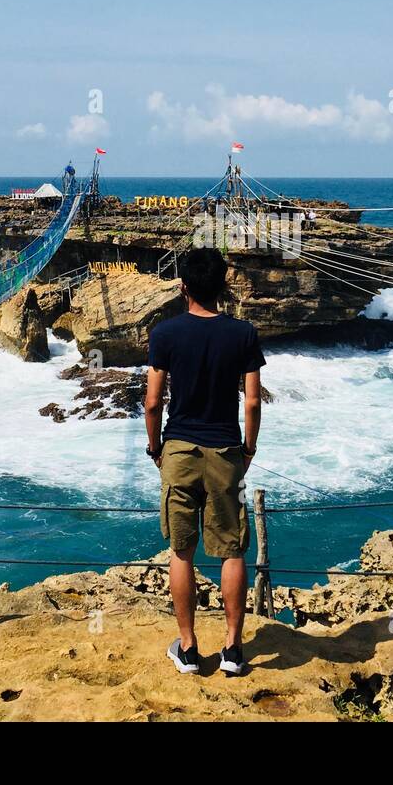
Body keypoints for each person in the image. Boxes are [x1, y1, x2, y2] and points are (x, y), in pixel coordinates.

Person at [144, 247, 264, 677]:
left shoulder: (166, 334)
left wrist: (156, 448)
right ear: (223, 287)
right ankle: (233, 650)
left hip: (179, 450)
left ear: (183, 287)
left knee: (182, 550)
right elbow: (251, 401)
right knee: (231, 550)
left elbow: (154, 402)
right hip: (226, 450)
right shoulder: (243, 333)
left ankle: (190, 649)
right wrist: (248, 449)